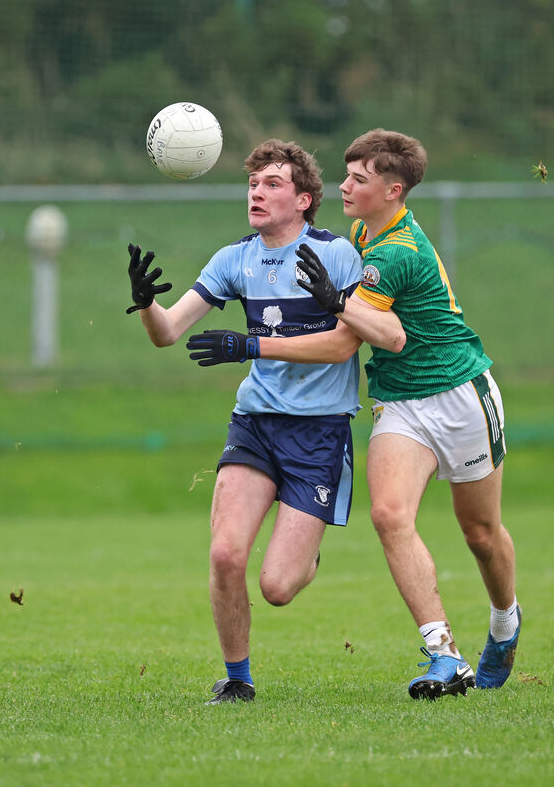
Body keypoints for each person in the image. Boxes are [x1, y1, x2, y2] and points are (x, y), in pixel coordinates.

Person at [190, 129, 521, 701]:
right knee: (390, 516)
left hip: (459, 391)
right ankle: (444, 655)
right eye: (346, 175)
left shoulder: (393, 253)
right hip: (398, 402)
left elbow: (369, 336)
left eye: (358, 179)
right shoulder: (361, 233)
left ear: (393, 190)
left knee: (482, 534)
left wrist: (328, 306)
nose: (343, 185)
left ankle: (504, 622)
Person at [125, 138, 405, 705]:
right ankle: (237, 678)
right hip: (254, 424)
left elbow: (339, 346)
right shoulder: (235, 258)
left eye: (272, 184)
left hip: (319, 432)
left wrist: (252, 344)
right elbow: (168, 332)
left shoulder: (335, 256)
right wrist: (147, 303)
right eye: (252, 184)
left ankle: (306, 553)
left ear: (303, 199)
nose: (257, 192)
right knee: (226, 553)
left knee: (277, 587)